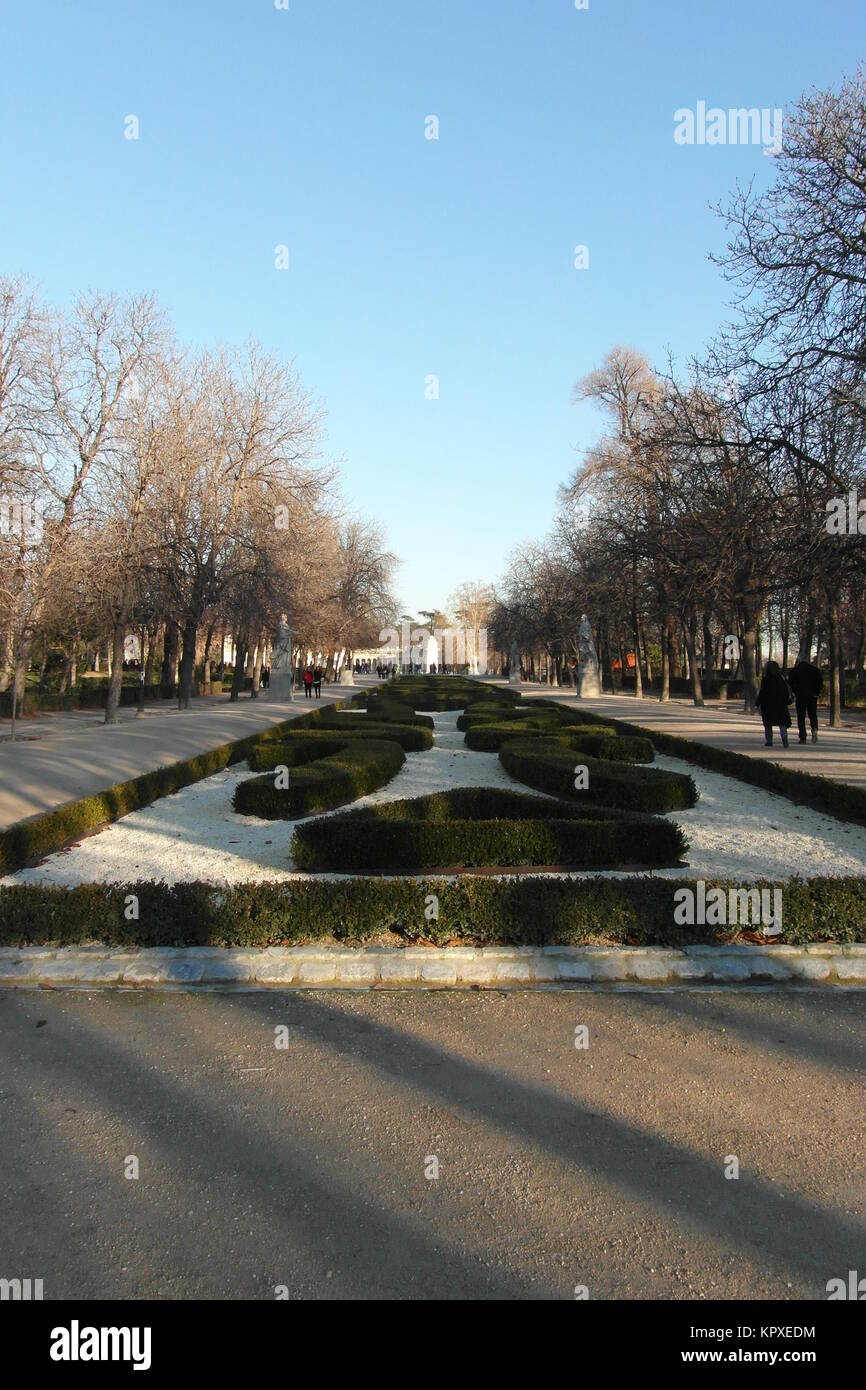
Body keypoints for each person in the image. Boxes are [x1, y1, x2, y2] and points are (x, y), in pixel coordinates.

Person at [756, 660, 792, 747]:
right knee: (782, 723)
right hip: (780, 704)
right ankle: (785, 740)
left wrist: (758, 703)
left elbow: (762, 692)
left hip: (768, 705)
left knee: (768, 724)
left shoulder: (766, 679)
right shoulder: (781, 679)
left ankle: (769, 741)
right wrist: (787, 701)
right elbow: (786, 691)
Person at [788, 656, 823, 743]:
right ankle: (814, 729)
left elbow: (791, 683)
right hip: (812, 696)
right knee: (813, 715)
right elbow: (820, 682)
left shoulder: (795, 671)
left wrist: (795, 692)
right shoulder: (815, 670)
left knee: (801, 717)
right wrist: (816, 693)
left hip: (800, 696)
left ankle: (803, 737)